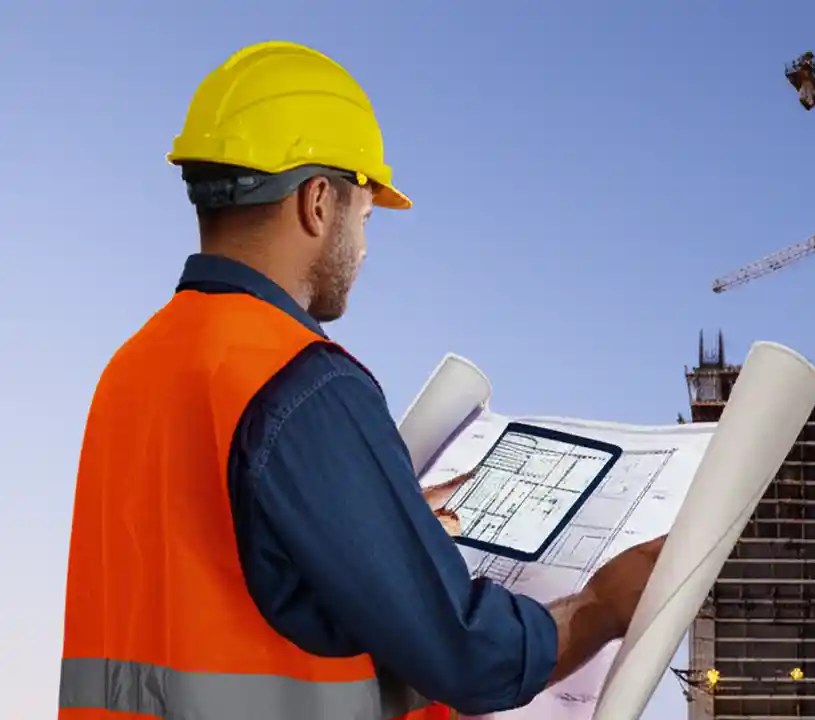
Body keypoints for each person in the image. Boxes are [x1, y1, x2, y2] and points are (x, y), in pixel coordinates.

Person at [58, 40, 665, 720]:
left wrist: (375, 528)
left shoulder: (135, 366)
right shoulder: (303, 383)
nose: (366, 247)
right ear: (319, 202)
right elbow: (466, 655)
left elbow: (206, 582)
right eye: (366, 215)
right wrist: (603, 605)